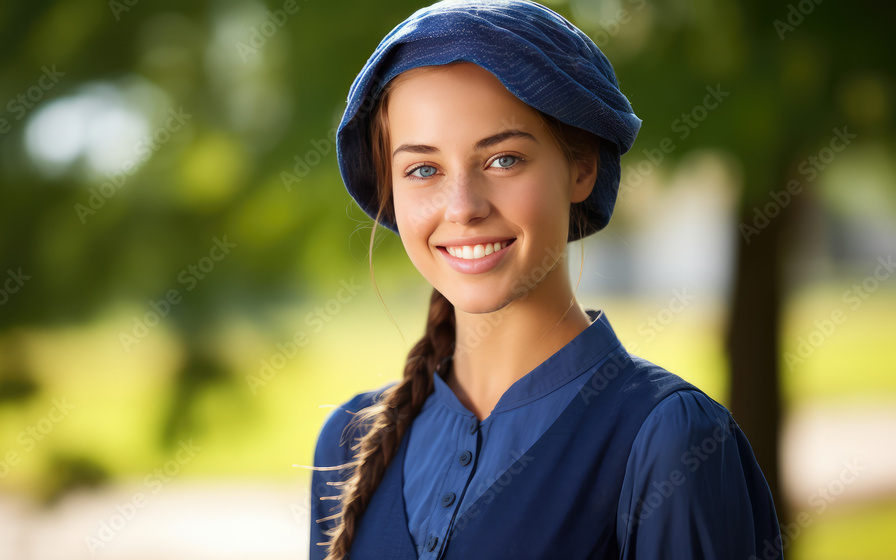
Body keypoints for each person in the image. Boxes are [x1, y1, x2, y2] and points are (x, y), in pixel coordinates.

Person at [307, 1, 782, 559]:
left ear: (582, 167)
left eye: (504, 160)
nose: (462, 208)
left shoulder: (669, 438)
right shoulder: (349, 443)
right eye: (423, 169)